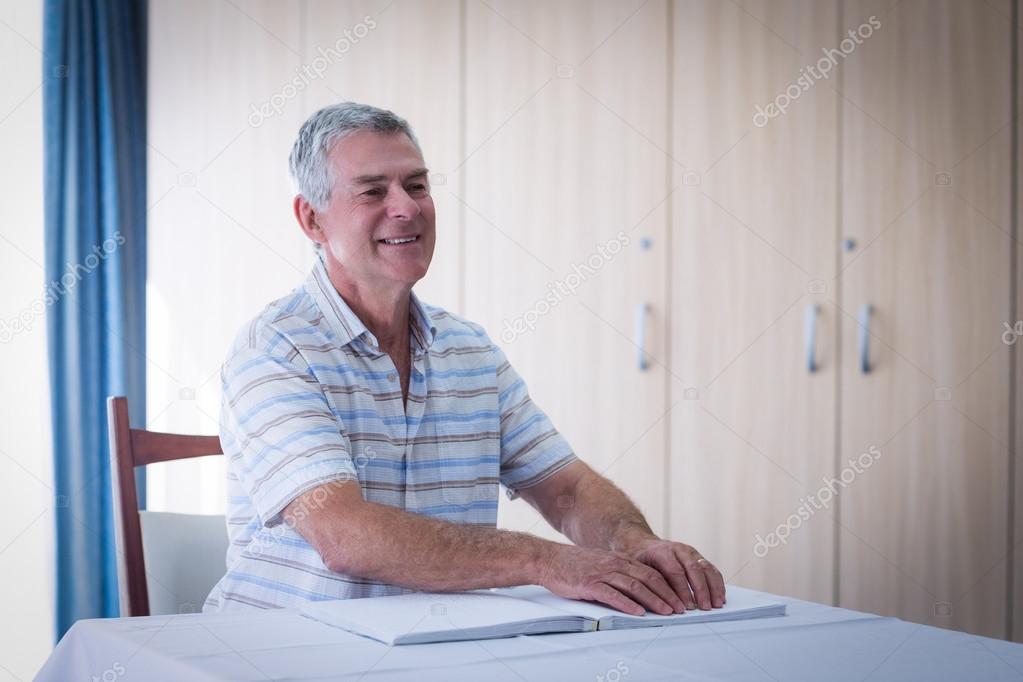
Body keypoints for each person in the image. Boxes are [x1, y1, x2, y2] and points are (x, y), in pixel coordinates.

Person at [203, 102, 725, 615]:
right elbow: (346, 536)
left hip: (439, 646)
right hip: (289, 651)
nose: (406, 206)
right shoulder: (273, 349)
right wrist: (546, 561)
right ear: (312, 220)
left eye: (417, 185)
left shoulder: (469, 350)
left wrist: (631, 541)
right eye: (373, 191)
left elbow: (566, 487)